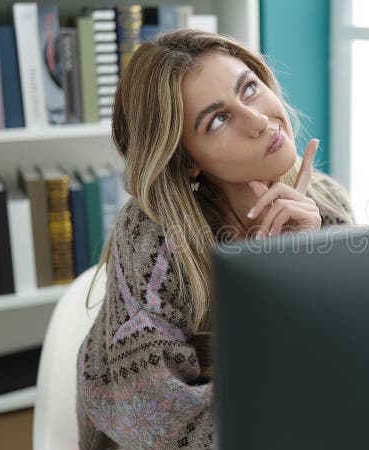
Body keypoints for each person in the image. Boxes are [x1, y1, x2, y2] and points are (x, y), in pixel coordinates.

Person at [76, 29, 354, 449]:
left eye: (250, 89)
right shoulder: (152, 241)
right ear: (187, 160)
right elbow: (157, 422)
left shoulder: (326, 205)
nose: (259, 120)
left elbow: (354, 359)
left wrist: (308, 264)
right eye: (219, 119)